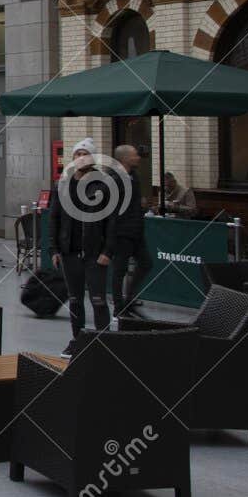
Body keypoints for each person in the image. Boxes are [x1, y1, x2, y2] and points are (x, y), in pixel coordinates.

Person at [47, 138, 111, 354]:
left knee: (98, 300)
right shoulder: (62, 184)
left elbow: (112, 222)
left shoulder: (103, 185)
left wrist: (107, 251)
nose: (81, 158)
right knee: (75, 300)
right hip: (69, 252)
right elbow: (54, 218)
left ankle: (104, 344)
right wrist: (54, 249)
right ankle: (78, 341)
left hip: (94, 253)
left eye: (85, 154)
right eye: (77, 154)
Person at [106, 144, 151, 317]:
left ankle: (129, 298)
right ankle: (119, 307)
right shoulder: (115, 179)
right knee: (120, 269)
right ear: (124, 159)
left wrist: (140, 206)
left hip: (136, 230)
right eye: (134, 155)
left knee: (146, 263)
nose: (138, 157)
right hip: (122, 232)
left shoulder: (134, 176)